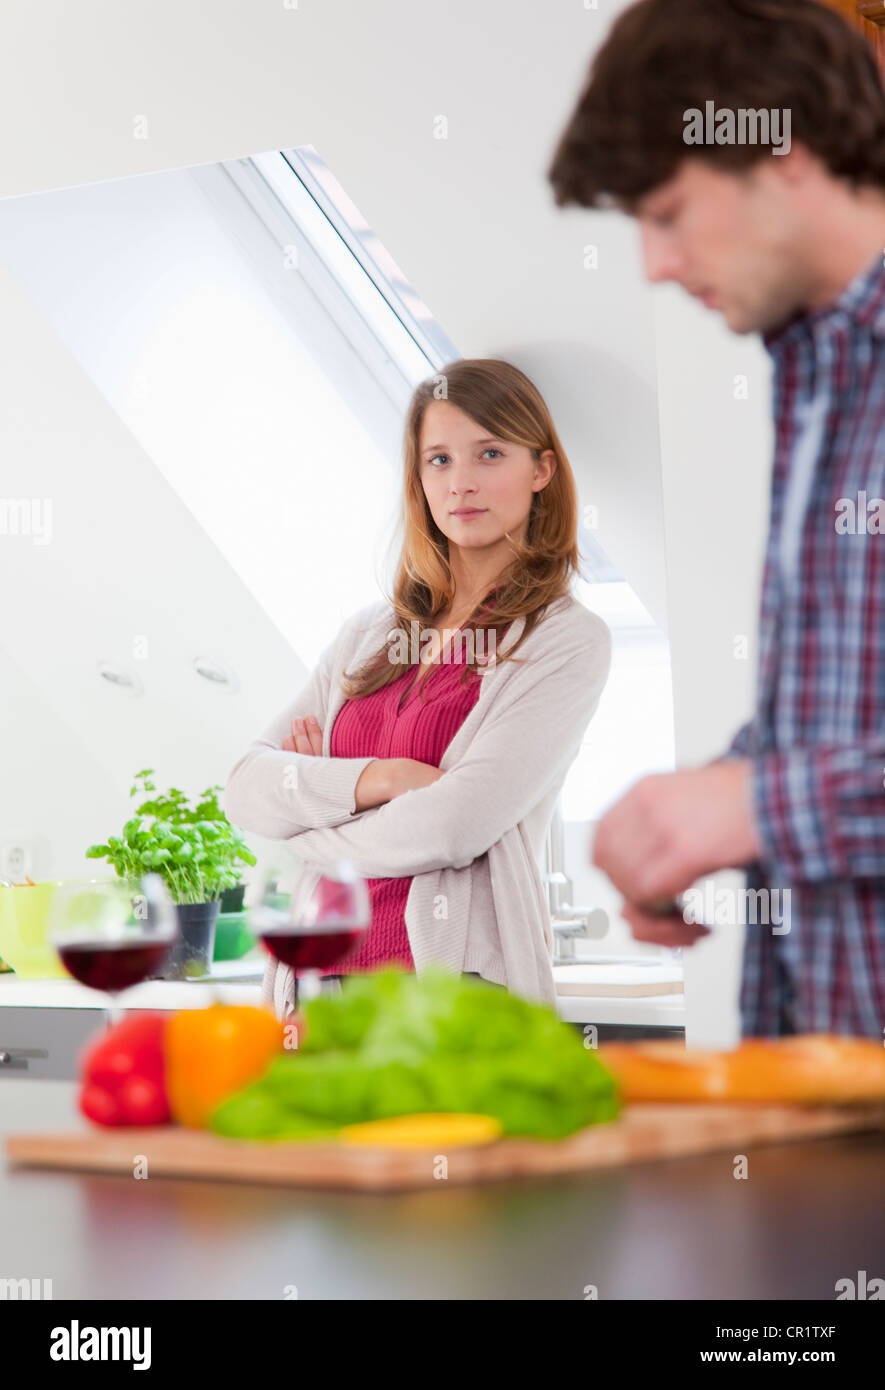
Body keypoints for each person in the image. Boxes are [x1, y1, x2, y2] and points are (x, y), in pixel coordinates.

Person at [547, 0, 885, 1036]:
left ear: (778, 150)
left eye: (667, 212)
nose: (653, 263)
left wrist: (750, 808)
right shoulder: (817, 371)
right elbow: (847, 712)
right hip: (827, 1079)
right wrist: (701, 813)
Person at [224, 358, 611, 1019]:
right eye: (438, 460)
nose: (460, 483)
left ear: (541, 469)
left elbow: (452, 825)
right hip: (316, 989)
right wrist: (380, 778)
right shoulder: (367, 635)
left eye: (489, 454)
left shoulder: (562, 638)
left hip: (452, 992)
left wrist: (308, 823)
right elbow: (245, 789)